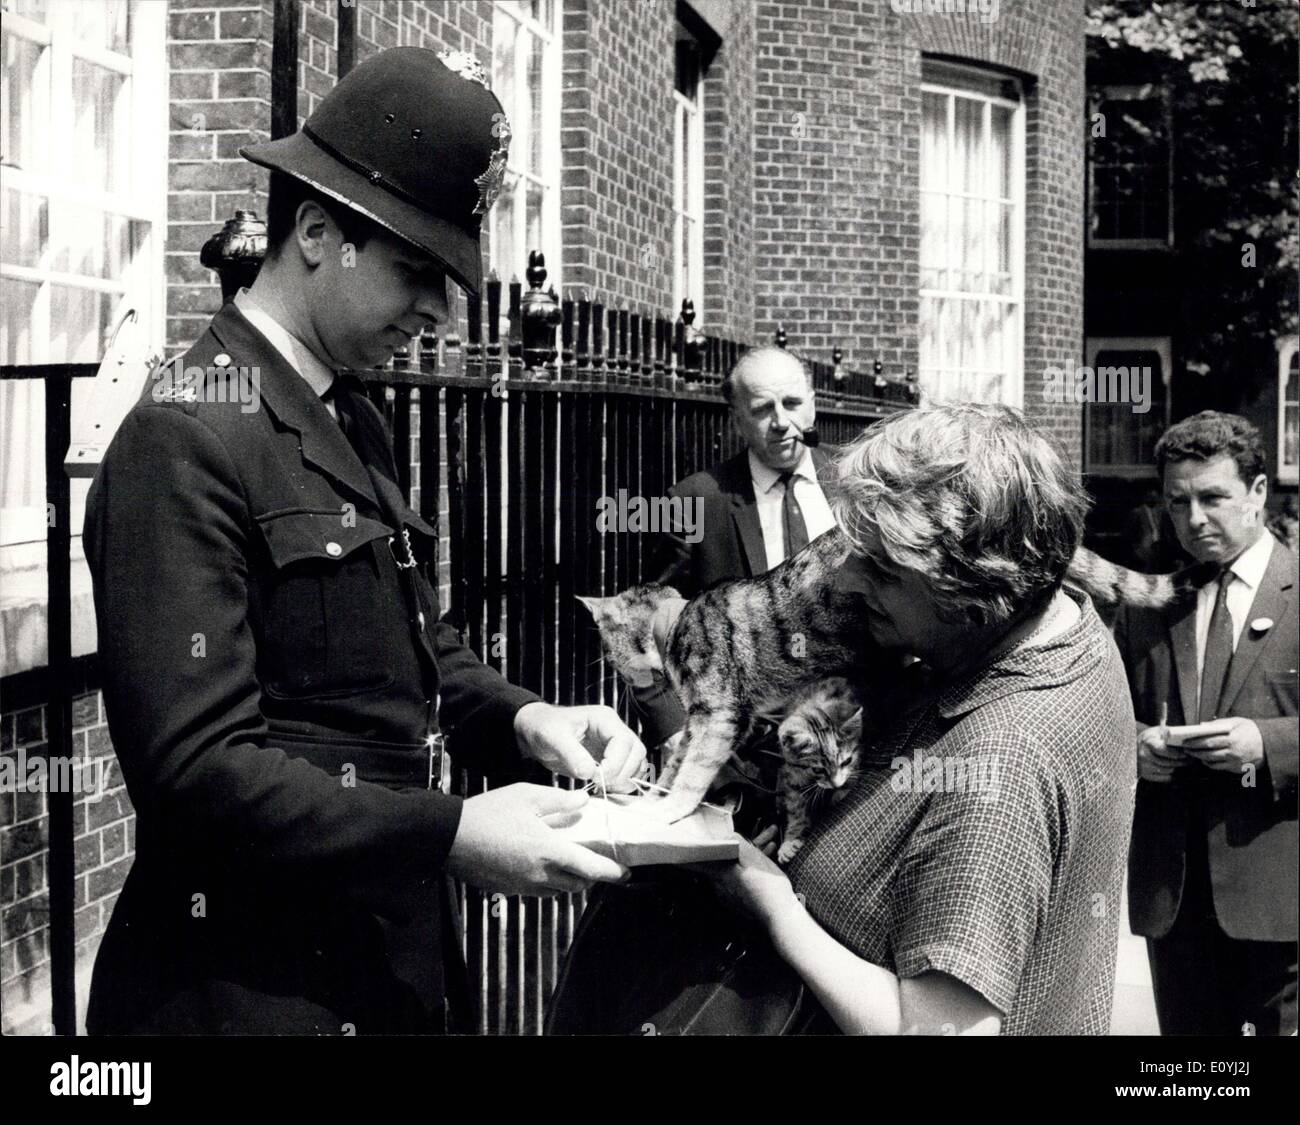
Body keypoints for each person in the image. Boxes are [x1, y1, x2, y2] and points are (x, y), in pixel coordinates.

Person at [83, 47, 644, 1035]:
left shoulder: (344, 410)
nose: (438, 310)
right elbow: (198, 773)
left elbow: (406, 648)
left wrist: (523, 720)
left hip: (380, 977)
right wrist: (454, 833)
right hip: (248, 994)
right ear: (312, 233)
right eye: (415, 271)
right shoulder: (184, 436)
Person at [698, 403, 1137, 1034]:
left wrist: (770, 901)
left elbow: (939, 1030)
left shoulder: (998, 762)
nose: (845, 581)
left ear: (976, 596)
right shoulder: (1065, 626)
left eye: (881, 569)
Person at [1113, 411, 1297, 1036]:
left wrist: (1267, 744)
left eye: (1212, 497)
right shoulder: (1150, 599)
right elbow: (1106, 714)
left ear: (1258, 493)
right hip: (1175, 898)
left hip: (1282, 902)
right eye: (1177, 501)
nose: (1193, 520)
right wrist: (1135, 745)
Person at [635, 346, 837, 748]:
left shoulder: (856, 481)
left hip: (853, 741)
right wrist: (675, 731)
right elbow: (642, 628)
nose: (781, 422)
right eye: (763, 409)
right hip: (743, 752)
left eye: (793, 404)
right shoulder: (693, 501)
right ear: (737, 420)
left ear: (812, 407)